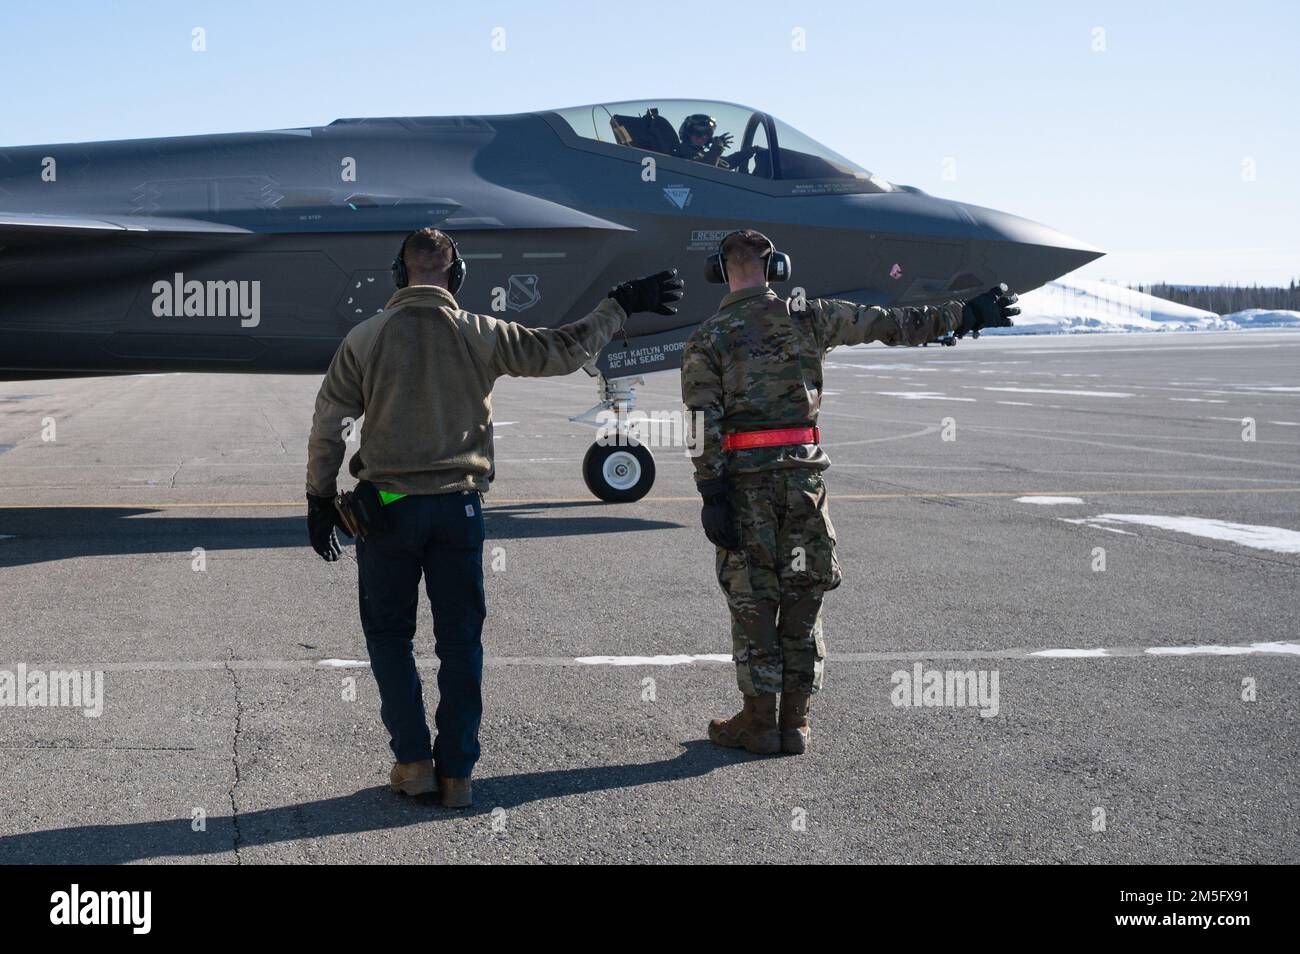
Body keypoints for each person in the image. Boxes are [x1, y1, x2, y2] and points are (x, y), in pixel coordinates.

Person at [305, 227, 684, 806]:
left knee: (389, 637)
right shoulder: (481, 332)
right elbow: (561, 351)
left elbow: (329, 425)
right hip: (459, 508)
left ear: (398, 275)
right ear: (456, 277)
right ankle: (457, 772)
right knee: (460, 644)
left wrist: (317, 498)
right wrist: (618, 305)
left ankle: (412, 763)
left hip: (386, 508)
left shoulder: (365, 337)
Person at [680, 229, 1017, 755]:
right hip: (805, 482)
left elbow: (703, 422)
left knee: (752, 600)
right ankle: (796, 723)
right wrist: (967, 314)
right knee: (803, 595)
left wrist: (712, 492)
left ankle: (758, 722)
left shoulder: (708, 337)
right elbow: (895, 324)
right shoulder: (810, 316)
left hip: (745, 487)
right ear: (778, 268)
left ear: (719, 270)